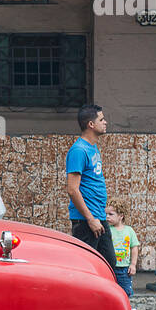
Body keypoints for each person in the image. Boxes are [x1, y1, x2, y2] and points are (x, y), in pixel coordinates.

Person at [66, 104, 118, 273]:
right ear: (91, 124)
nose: (106, 122)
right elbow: (72, 189)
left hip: (98, 216)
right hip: (86, 221)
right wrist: (90, 218)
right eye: (101, 119)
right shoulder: (78, 150)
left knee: (109, 263)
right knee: (86, 268)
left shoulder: (92, 148)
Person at [107, 196, 140, 300]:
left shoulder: (129, 231)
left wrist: (133, 264)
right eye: (106, 214)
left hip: (124, 269)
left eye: (111, 214)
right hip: (109, 267)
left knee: (125, 293)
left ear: (121, 216)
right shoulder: (107, 230)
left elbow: (134, 248)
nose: (107, 217)